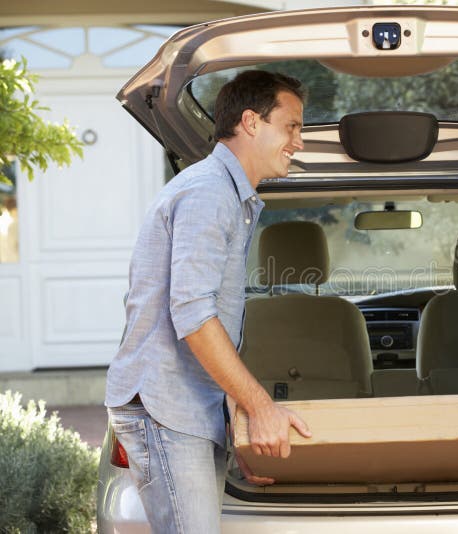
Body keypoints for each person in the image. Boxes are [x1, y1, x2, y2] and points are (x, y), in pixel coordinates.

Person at [105, 70, 311, 533]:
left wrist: (234, 426)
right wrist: (261, 408)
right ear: (252, 122)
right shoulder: (208, 193)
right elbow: (195, 317)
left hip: (185, 410)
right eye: (292, 126)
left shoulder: (228, 195)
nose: (299, 142)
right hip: (166, 409)